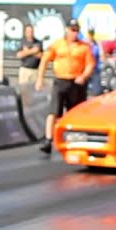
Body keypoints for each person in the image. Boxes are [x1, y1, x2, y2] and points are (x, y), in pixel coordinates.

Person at [34, 20, 95, 154]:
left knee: (75, 112)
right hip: (60, 80)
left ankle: (75, 138)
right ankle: (48, 140)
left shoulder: (84, 47)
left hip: (76, 82)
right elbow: (44, 60)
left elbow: (90, 64)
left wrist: (84, 76)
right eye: (72, 30)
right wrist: (40, 79)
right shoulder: (57, 45)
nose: (74, 33)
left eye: (76, 31)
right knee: (54, 111)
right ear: (66, 30)